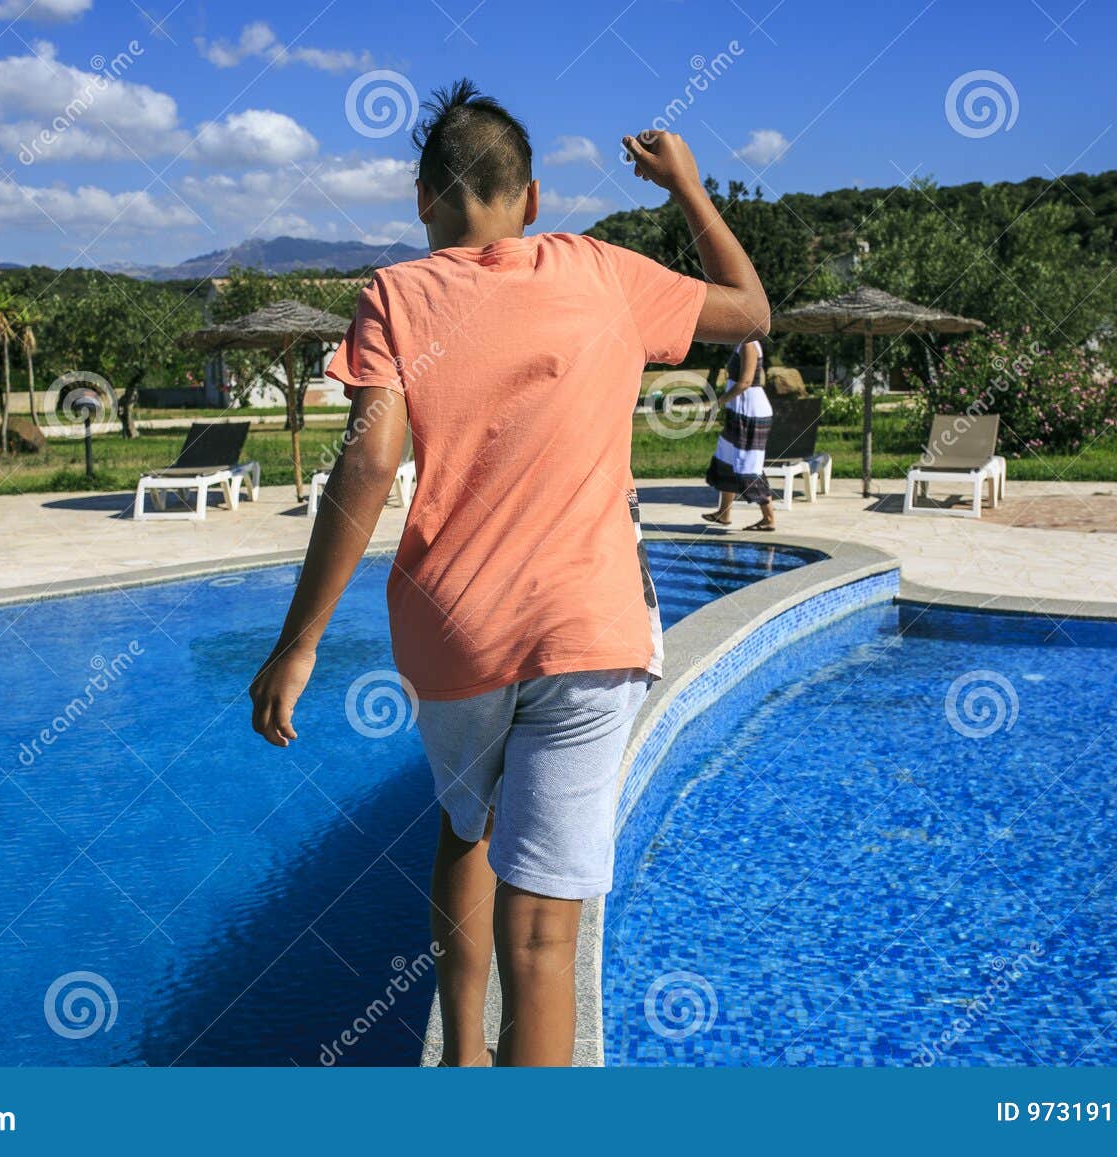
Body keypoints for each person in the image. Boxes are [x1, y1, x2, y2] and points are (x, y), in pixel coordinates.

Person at [247, 80, 768, 1067]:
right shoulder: (603, 272)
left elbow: (366, 464)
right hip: (589, 626)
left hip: (456, 635)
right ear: (531, 201)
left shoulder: (396, 296)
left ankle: (463, 1054)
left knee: (462, 819)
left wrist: (299, 640)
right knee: (546, 930)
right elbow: (750, 308)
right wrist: (688, 191)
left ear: (421, 199)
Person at [702, 338, 777, 530]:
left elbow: (745, 382)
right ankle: (724, 513)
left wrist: (718, 403)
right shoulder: (742, 343)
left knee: (748, 464)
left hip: (750, 414)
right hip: (739, 412)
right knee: (726, 458)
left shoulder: (748, 344)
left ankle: (769, 518)